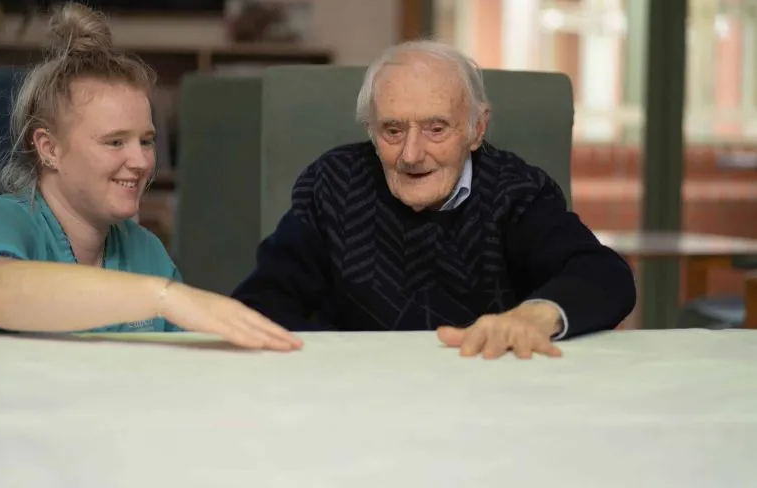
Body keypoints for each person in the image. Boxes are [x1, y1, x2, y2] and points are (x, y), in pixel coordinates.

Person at [0, 2, 302, 353]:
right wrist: (162, 297)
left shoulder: (145, 251)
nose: (142, 161)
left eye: (146, 141)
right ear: (49, 148)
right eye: (115, 142)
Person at [232, 40, 636, 358]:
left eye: (436, 129)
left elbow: (604, 275)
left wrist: (535, 316)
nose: (410, 154)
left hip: (485, 390)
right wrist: (349, 357)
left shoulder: (516, 192)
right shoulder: (333, 183)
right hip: (356, 395)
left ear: (477, 129)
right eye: (392, 129)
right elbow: (262, 301)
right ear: (371, 131)